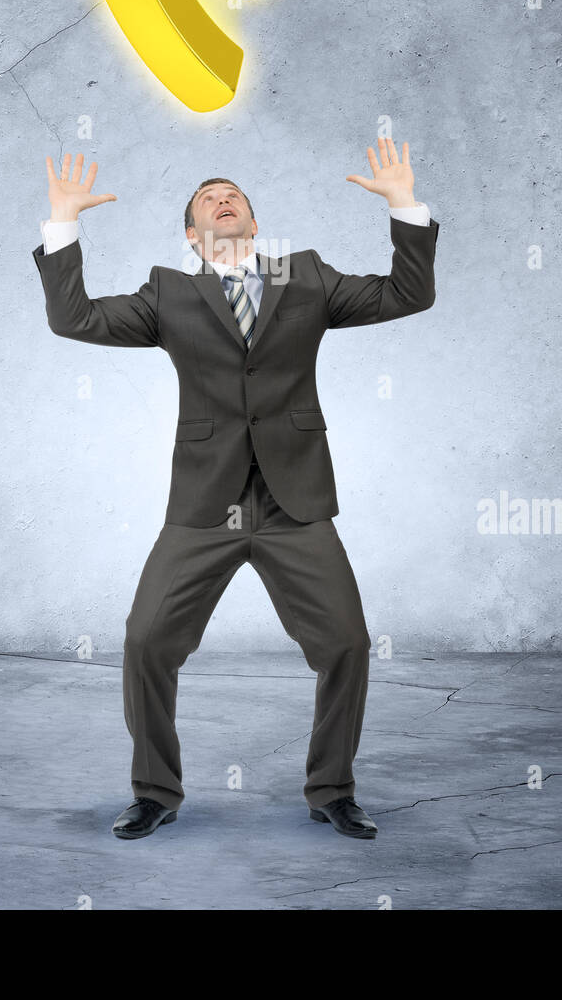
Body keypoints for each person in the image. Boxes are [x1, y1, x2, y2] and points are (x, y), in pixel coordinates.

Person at [33, 137, 438, 839]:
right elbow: (75, 319)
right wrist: (64, 223)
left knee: (346, 642)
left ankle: (332, 788)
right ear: (192, 234)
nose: (224, 201)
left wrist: (404, 204)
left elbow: (408, 293)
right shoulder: (168, 292)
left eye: (235, 196)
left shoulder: (304, 276)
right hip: (204, 502)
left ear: (252, 220)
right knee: (147, 641)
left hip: (294, 501)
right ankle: (155, 791)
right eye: (207, 200)